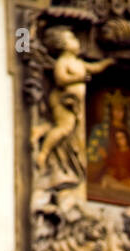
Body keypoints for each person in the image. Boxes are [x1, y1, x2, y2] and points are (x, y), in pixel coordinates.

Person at [35, 27, 114, 172]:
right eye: (71, 38)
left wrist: (108, 62)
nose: (76, 41)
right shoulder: (63, 62)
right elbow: (60, 79)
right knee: (64, 128)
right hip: (63, 100)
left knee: (63, 126)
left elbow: (94, 68)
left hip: (73, 104)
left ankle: (40, 130)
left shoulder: (79, 62)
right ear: (61, 44)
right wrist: (80, 78)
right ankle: (43, 154)